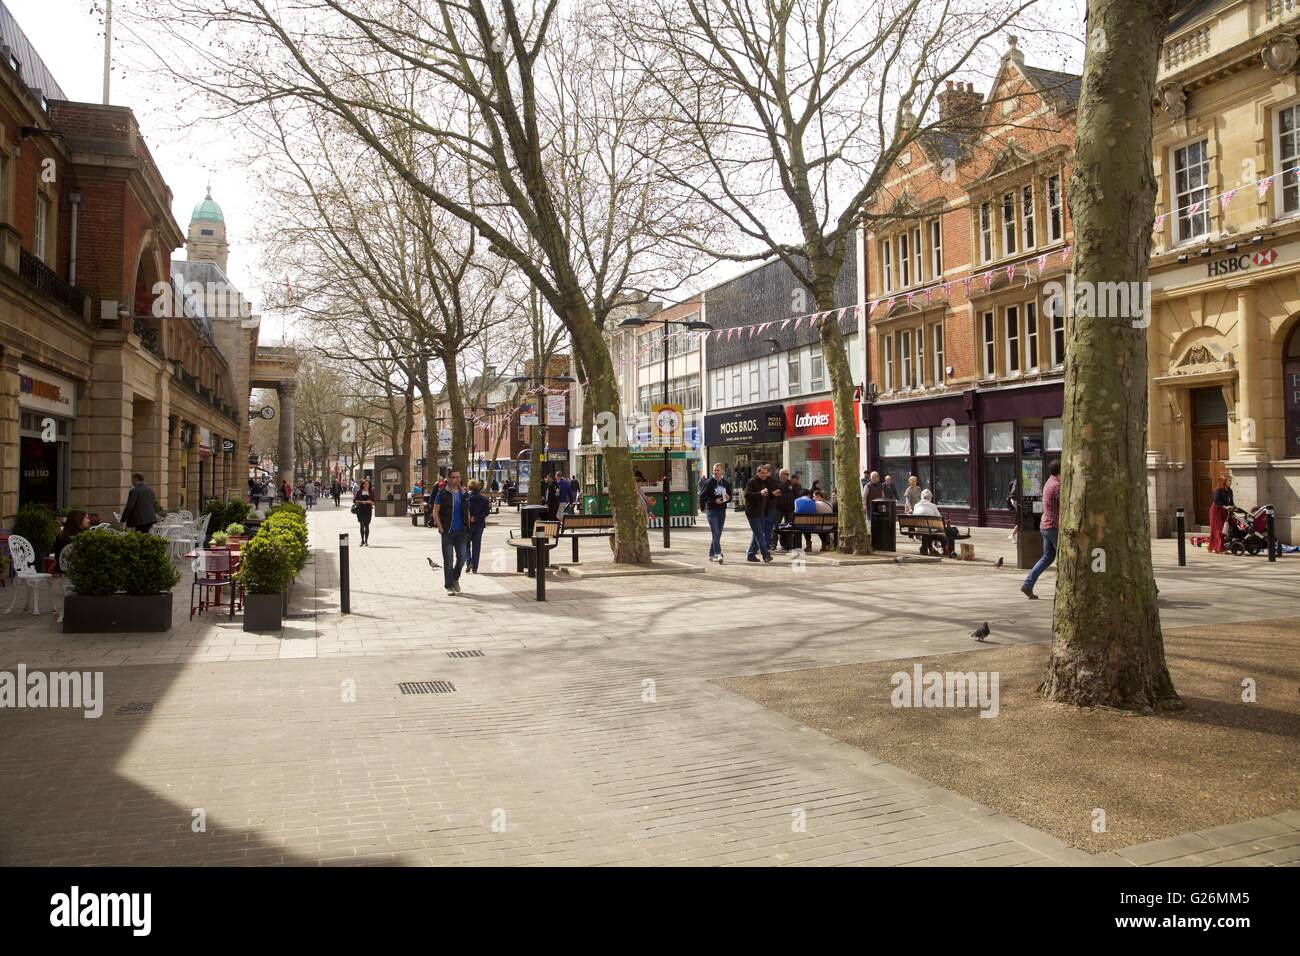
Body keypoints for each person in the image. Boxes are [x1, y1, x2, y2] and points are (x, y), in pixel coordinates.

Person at [1021, 460, 1061, 599]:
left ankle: (1028, 584)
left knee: (1047, 557)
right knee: (1063, 558)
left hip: (1045, 525)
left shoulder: (1048, 483)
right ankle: (1063, 590)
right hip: (1054, 526)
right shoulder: (1057, 486)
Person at [432, 470, 470, 594]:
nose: (456, 479)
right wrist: (440, 527)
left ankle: (455, 578)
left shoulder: (464, 494)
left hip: (461, 532)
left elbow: (467, 510)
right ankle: (449, 586)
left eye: (458, 477)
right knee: (448, 560)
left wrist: (469, 523)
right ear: (448, 479)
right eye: (453, 477)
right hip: (447, 531)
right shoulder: (442, 494)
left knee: (462, 558)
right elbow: (435, 511)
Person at [911, 489, 959, 558]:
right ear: (930, 497)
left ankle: (926, 548)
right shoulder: (933, 506)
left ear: (921, 497)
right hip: (929, 528)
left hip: (918, 528)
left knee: (928, 530)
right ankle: (945, 547)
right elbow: (939, 518)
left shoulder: (916, 506)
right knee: (939, 530)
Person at [744, 463, 777, 563]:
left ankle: (751, 554)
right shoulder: (752, 482)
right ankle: (766, 555)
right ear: (757, 473)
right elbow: (747, 495)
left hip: (762, 512)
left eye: (766, 473)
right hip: (752, 513)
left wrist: (773, 495)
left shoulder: (766, 482)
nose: (764, 475)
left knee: (757, 534)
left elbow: (767, 495)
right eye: (762, 473)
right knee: (759, 535)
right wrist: (760, 493)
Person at [699, 463, 732, 563]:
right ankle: (718, 554)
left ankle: (711, 554)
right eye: (714, 470)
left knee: (718, 534)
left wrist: (728, 498)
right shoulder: (708, 483)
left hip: (722, 511)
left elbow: (729, 496)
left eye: (718, 470)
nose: (716, 472)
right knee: (716, 532)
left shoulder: (725, 483)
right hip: (712, 511)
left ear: (722, 471)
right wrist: (713, 501)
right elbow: (702, 497)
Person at [465, 479, 492, 573]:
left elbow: (462, 511)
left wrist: (469, 518)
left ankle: (469, 561)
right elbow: (486, 512)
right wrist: (476, 518)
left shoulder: (465, 498)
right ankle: (475, 567)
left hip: (467, 525)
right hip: (479, 524)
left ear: (469, 487)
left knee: (466, 545)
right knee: (477, 546)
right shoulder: (483, 499)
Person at [1209, 475, 1233, 554]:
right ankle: (1219, 548)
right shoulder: (1219, 490)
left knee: (1224, 529)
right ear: (1224, 482)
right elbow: (1216, 501)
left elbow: (1231, 502)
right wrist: (1224, 506)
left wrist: (1233, 507)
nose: (1230, 482)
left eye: (1230, 480)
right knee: (1218, 529)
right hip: (1216, 510)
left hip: (1224, 511)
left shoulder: (1230, 490)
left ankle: (1219, 547)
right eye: (1228, 480)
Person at [772, 468, 796, 553]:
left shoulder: (791, 484)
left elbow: (796, 494)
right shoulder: (775, 483)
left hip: (789, 508)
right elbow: (773, 494)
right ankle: (773, 545)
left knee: (789, 527)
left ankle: (788, 545)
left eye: (788, 474)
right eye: (786, 474)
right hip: (778, 508)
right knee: (775, 526)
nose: (788, 476)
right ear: (781, 474)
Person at [352, 478, 374, 547]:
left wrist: (369, 502)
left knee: (367, 525)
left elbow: (374, 501)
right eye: (365, 484)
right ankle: (362, 540)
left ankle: (366, 541)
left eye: (367, 484)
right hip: (360, 509)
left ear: (369, 485)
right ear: (363, 485)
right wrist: (361, 502)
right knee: (361, 525)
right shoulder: (359, 492)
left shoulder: (371, 492)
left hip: (368, 510)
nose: (366, 485)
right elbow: (354, 500)